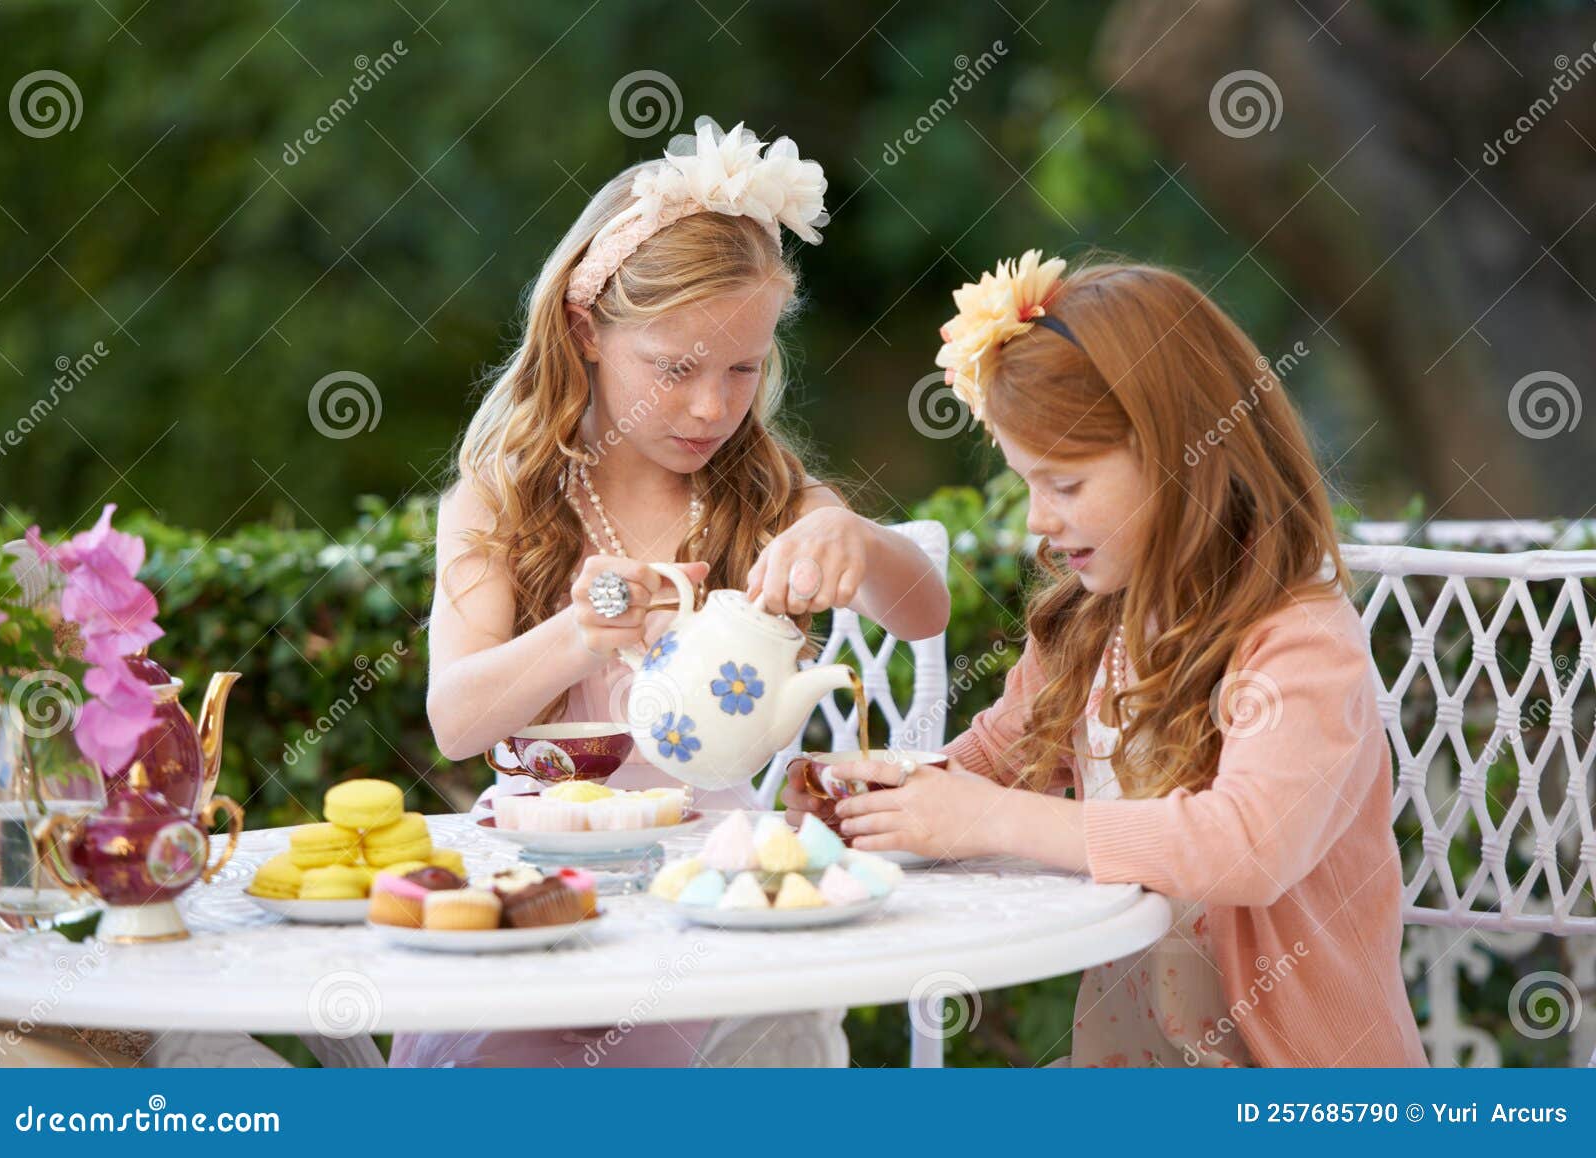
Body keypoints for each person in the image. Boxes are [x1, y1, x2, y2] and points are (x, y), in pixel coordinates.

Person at [400, 117, 949, 1068]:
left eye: (743, 369)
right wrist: (583, 631)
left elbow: (925, 611)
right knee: (513, 1062)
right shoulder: (502, 500)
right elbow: (456, 722)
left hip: (713, 887)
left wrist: (857, 537)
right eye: (676, 369)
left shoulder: (768, 498)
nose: (712, 406)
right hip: (537, 878)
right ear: (586, 330)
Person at [786, 254, 1426, 1067]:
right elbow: (998, 760)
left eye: (1065, 484)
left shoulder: (1299, 639)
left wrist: (990, 819)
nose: (1038, 520)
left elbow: (1247, 845)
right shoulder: (1091, 626)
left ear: (1186, 456)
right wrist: (881, 798)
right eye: (1027, 483)